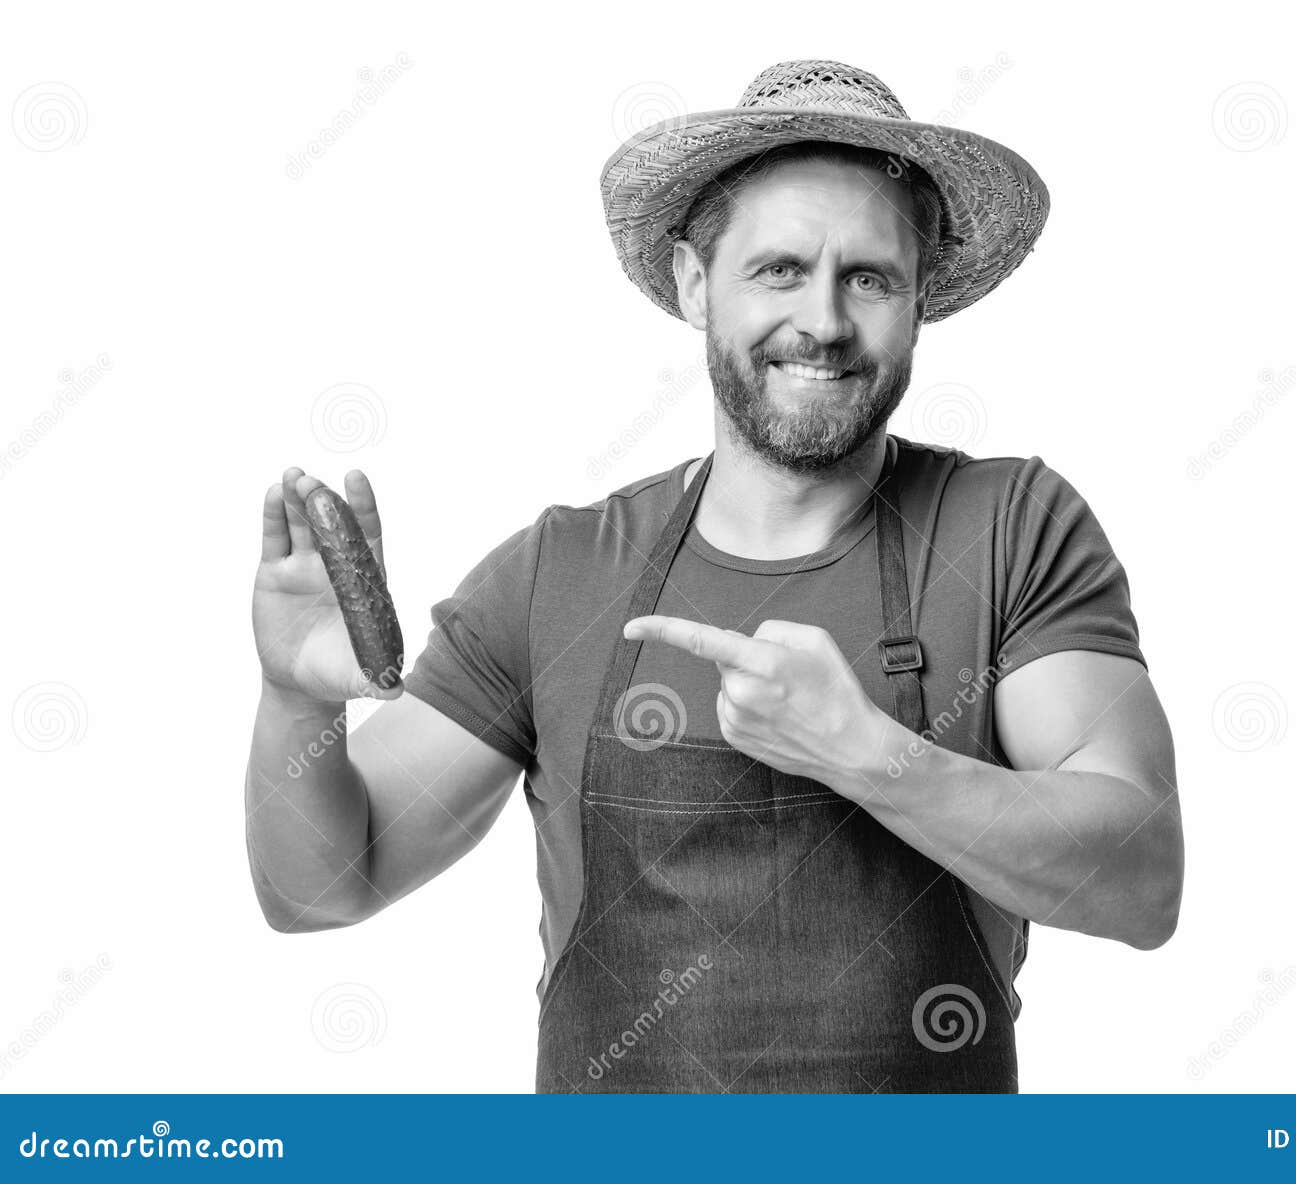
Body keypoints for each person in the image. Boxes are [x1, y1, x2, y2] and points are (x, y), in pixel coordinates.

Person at [247, 59, 1183, 1093]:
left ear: (920, 298)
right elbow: (324, 886)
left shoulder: (1010, 527)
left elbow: (1141, 882)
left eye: (868, 276)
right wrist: (296, 701)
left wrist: (872, 757)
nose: (822, 322)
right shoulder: (559, 572)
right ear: (697, 285)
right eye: (778, 269)